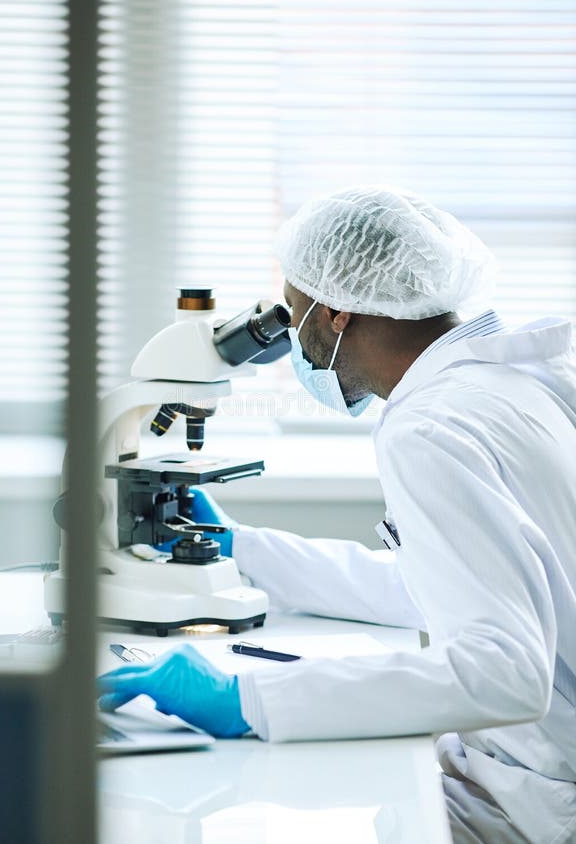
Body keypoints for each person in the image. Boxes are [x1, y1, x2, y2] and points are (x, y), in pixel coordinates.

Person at [98, 186, 576, 843]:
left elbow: (505, 672)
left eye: (292, 315)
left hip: (541, 799)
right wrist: (241, 548)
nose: (294, 342)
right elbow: (446, 589)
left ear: (337, 311)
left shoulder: (431, 428)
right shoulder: (513, 383)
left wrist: (246, 699)